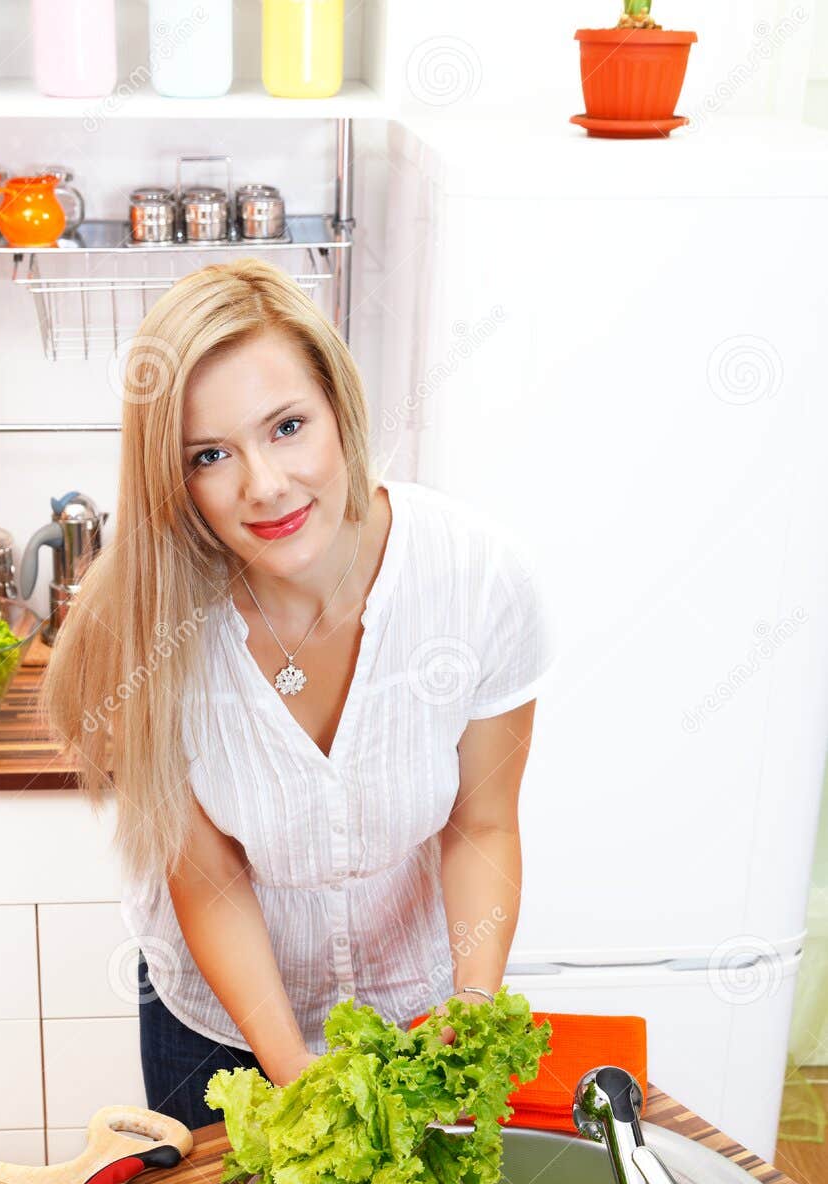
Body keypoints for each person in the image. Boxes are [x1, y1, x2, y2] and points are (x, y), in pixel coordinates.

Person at [45, 259, 555, 1130]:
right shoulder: (141, 623)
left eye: (286, 427)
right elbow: (205, 876)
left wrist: (470, 1012)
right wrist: (293, 1074)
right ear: (172, 478)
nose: (265, 485)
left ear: (339, 410)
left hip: (416, 1009)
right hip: (212, 1032)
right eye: (210, 455)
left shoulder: (476, 579)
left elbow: (482, 822)